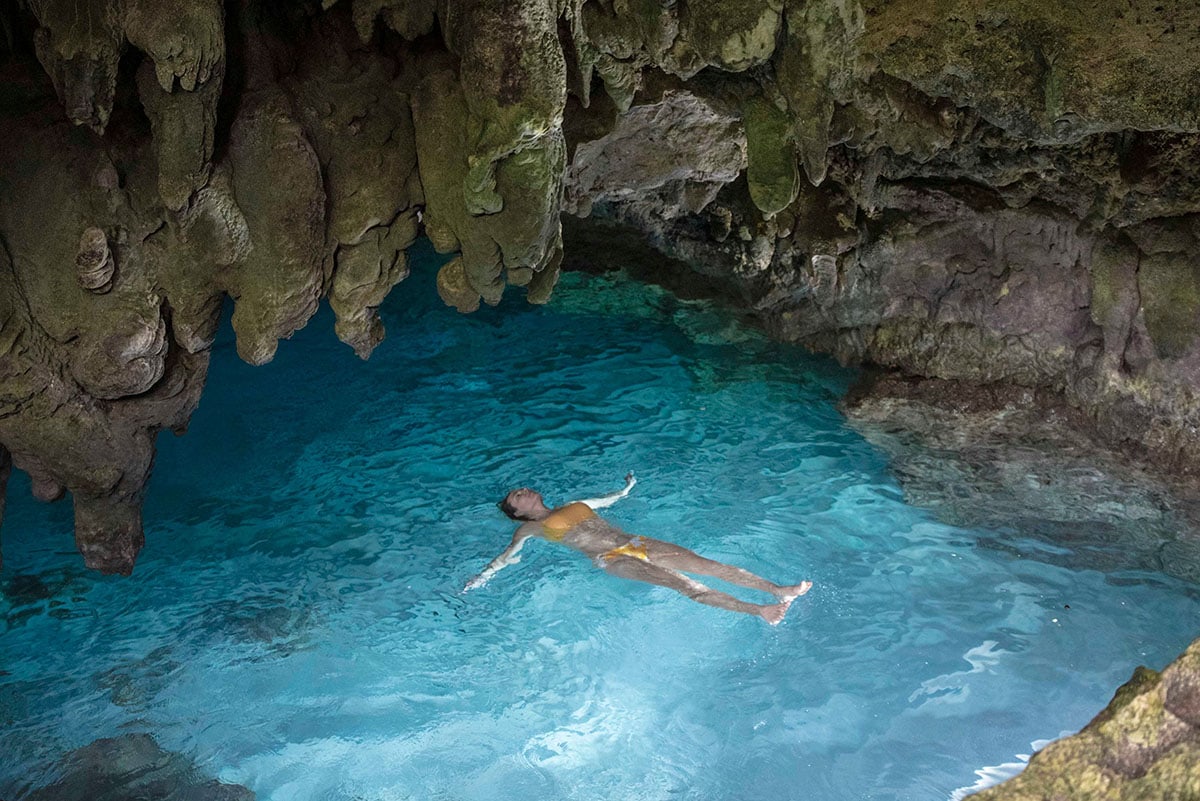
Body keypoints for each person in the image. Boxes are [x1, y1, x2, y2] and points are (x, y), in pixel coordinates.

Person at [463, 473, 812, 624]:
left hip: (633, 542)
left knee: (703, 564)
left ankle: (777, 589)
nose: (522, 491)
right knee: (685, 585)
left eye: (521, 489)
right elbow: (505, 558)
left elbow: (607, 500)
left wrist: (626, 490)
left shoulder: (573, 503)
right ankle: (761, 611)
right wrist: (482, 578)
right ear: (518, 512)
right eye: (516, 496)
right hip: (609, 558)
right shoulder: (530, 528)